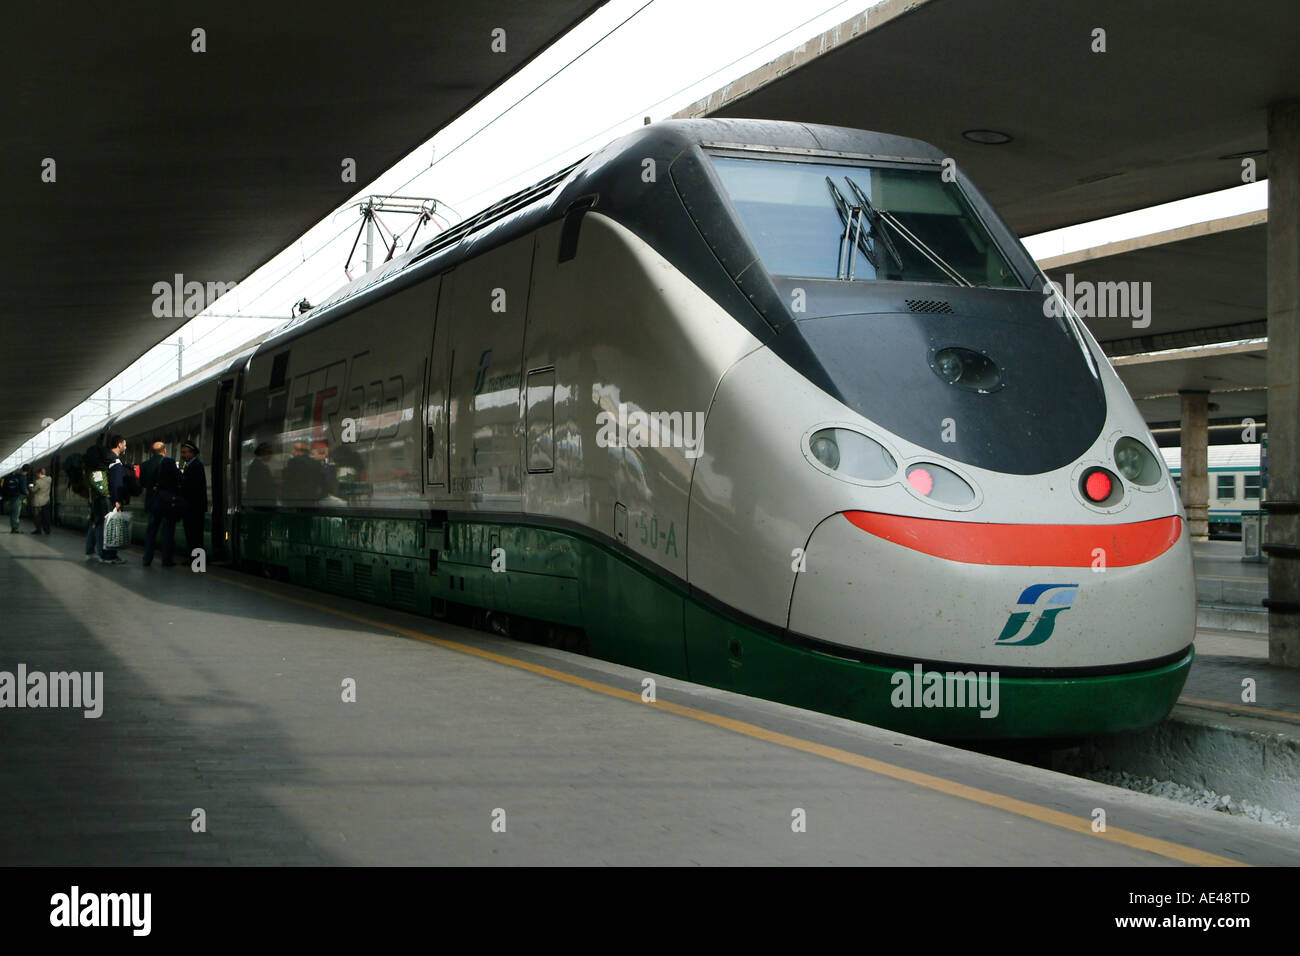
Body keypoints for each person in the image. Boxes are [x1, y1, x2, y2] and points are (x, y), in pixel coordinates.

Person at [140, 441, 181, 567]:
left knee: (151, 531)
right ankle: (166, 559)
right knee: (167, 532)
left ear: (152, 452)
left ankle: (147, 559)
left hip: (153, 502)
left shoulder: (145, 465)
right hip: (167, 503)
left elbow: (143, 485)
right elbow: (178, 479)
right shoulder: (170, 463)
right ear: (164, 451)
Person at [99, 434, 134, 564]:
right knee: (113, 527)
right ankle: (110, 555)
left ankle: (107, 554)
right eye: (124, 443)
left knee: (108, 526)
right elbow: (116, 482)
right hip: (114, 499)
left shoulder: (108, 459)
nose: (125, 446)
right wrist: (117, 499)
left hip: (108, 498)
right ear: (119, 444)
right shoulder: (114, 461)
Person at [178, 440, 207, 559]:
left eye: (185, 452)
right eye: (182, 452)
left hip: (194, 507)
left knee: (195, 535)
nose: (183, 455)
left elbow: (193, 488)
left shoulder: (196, 466)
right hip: (192, 507)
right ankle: (194, 559)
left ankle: (197, 561)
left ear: (192, 453)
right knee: (192, 534)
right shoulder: (191, 466)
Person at [244, 441, 276, 506]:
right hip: (262, 503)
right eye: (269, 452)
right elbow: (265, 487)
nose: (271, 455)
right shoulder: (259, 467)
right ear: (262, 453)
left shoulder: (257, 465)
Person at [3, 465, 29, 533]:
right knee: (16, 513)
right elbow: (23, 489)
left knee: (13, 512)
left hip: (12, 496)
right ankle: (15, 528)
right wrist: (27, 493)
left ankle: (14, 527)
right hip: (18, 497)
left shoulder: (17, 476)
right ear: (28, 470)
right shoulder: (23, 477)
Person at [29, 467, 52, 534]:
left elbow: (33, 490)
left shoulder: (38, 482)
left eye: (37, 474)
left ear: (39, 473)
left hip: (38, 502)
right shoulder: (49, 479)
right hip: (47, 501)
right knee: (46, 516)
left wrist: (30, 486)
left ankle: (38, 530)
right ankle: (47, 530)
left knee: (37, 517)